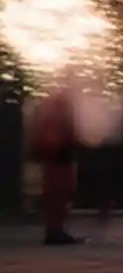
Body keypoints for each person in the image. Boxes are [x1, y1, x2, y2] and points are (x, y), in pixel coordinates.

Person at [30, 90, 81, 245]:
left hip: (57, 162)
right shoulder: (56, 120)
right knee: (58, 198)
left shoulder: (50, 118)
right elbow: (55, 142)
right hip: (58, 162)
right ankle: (55, 231)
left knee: (57, 199)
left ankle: (55, 230)